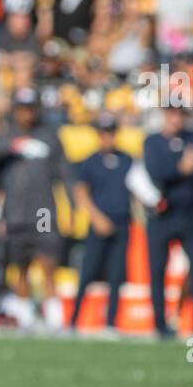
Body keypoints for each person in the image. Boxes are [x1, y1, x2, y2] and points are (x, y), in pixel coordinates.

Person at [0, 88, 70, 330]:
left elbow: (65, 175)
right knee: (20, 265)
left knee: (47, 264)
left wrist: (72, 208)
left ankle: (54, 317)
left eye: (30, 108)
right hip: (15, 212)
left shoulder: (50, 136)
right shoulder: (5, 138)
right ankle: (24, 316)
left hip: (43, 210)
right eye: (22, 108)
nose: (26, 113)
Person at [143, 100, 193, 338]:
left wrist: (179, 172)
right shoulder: (153, 141)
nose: (175, 118)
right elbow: (156, 172)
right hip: (162, 214)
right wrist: (181, 169)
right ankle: (160, 325)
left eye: (180, 113)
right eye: (171, 113)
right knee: (157, 270)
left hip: (189, 213)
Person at [69, 114, 131, 332]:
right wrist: (97, 218)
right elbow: (80, 192)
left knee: (116, 275)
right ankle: (74, 320)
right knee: (87, 272)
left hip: (122, 223)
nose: (108, 137)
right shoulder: (90, 161)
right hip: (98, 223)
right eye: (104, 133)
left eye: (111, 132)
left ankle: (111, 322)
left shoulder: (126, 159)